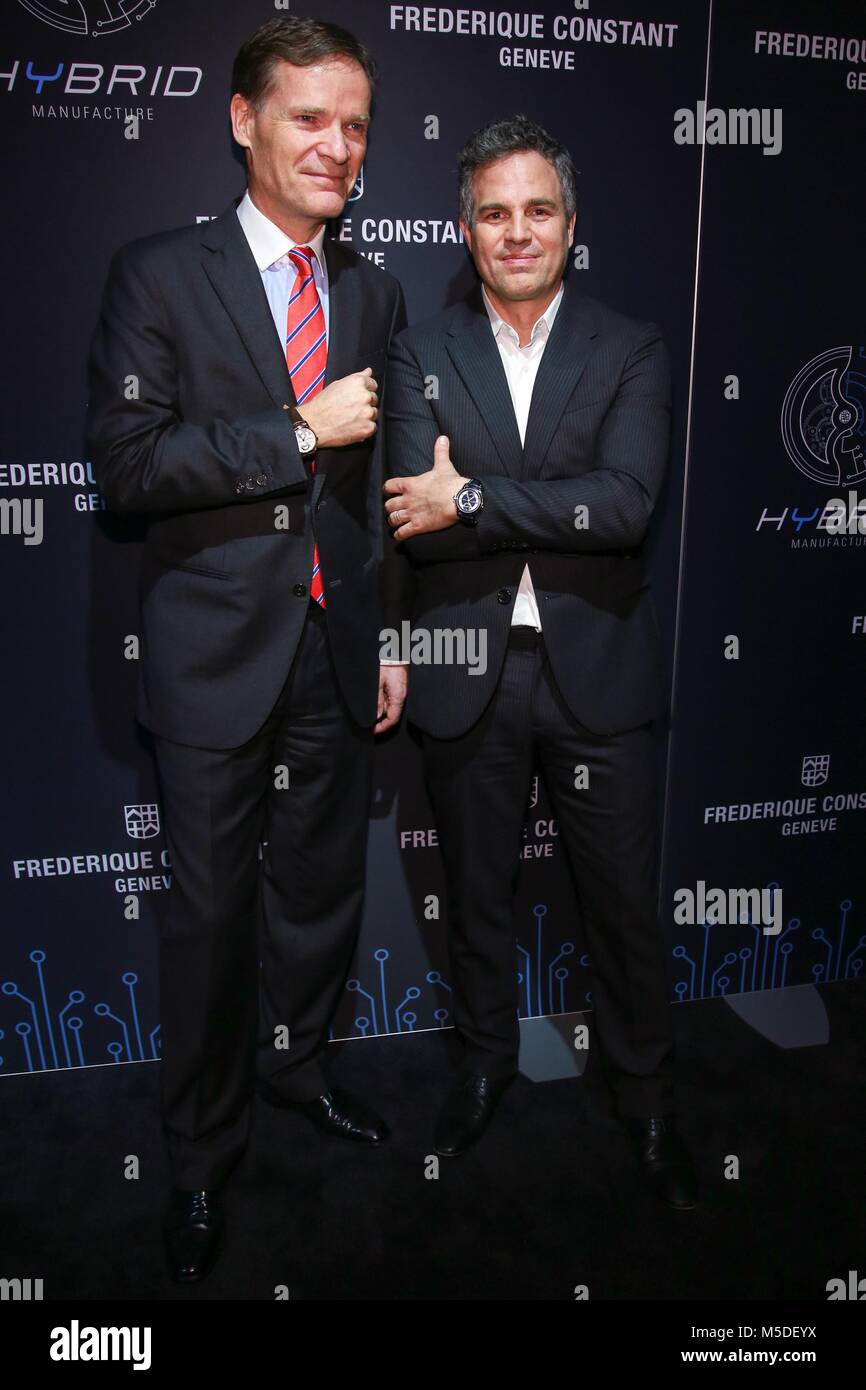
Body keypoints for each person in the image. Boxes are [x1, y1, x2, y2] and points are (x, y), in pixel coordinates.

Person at [86, 15, 409, 1282]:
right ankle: (201, 1157)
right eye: (309, 119)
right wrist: (291, 428)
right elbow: (124, 469)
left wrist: (382, 636)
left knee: (320, 897)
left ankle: (297, 1067)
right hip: (214, 661)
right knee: (210, 925)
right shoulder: (158, 272)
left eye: (355, 128)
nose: (337, 148)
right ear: (242, 120)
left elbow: (372, 485)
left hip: (334, 652)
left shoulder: (371, 289)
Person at [383, 114, 697, 1210]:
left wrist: (468, 494)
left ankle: (645, 1094)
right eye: (493, 213)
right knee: (475, 898)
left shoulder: (633, 346)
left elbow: (620, 507)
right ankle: (481, 1066)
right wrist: (472, 515)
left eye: (538, 209)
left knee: (619, 904)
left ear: (570, 223)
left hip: (596, 669)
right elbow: (403, 517)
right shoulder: (423, 349)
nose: (517, 231)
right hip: (464, 659)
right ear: (465, 231)